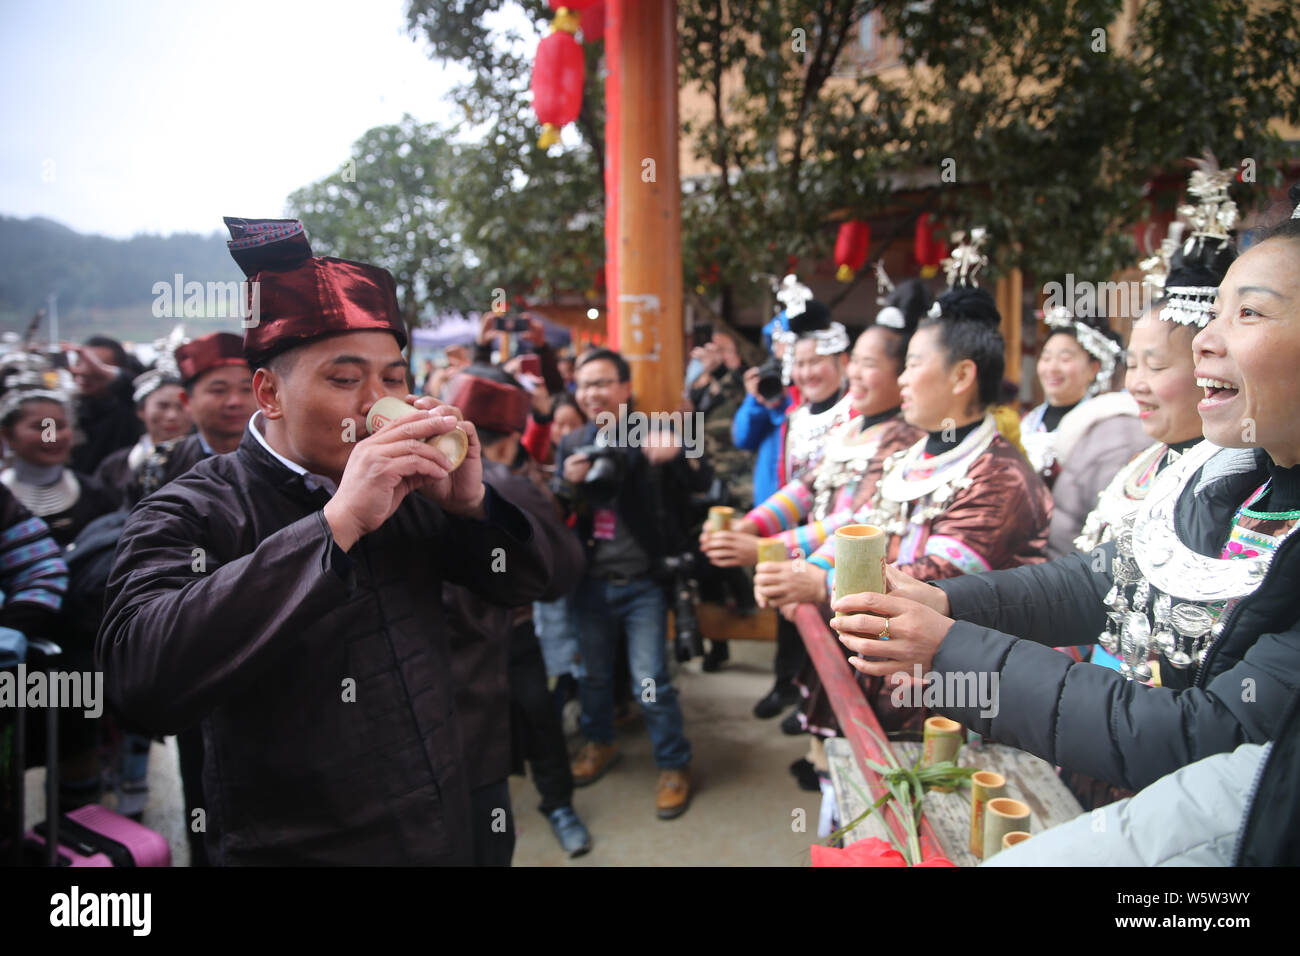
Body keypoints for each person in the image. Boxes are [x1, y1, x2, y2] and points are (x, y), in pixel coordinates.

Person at [96, 217, 558, 864]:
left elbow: (536, 583)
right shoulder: (195, 507)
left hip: (443, 820)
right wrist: (335, 525)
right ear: (270, 392)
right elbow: (141, 682)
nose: (376, 403)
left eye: (393, 379)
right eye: (345, 380)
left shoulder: (413, 490)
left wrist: (474, 508)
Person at [831, 191, 1300, 795]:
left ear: (962, 374)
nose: (1207, 340)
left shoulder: (1014, 466)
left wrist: (950, 648)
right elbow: (1101, 580)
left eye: (1250, 314)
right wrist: (945, 605)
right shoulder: (1219, 475)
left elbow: (1211, 731)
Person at [439, 364, 591, 861]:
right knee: (533, 719)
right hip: (480, 637)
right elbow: (565, 569)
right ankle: (557, 806)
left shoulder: (393, 471)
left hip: (487, 635)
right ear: (508, 442)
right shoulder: (508, 483)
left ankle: (551, 807)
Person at [553, 347, 708, 819]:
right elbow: (559, 515)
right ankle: (599, 743)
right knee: (594, 676)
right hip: (590, 582)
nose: (593, 393)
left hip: (642, 583)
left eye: (603, 383)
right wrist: (567, 482)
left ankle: (673, 763)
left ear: (624, 389)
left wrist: (677, 449)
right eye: (585, 385)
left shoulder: (651, 430)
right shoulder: (573, 440)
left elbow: (696, 479)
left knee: (650, 681)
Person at [748, 281, 855, 721]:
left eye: (819, 363)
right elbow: (789, 479)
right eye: (802, 363)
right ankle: (789, 687)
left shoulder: (855, 412)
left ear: (842, 362)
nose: (810, 373)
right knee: (789, 615)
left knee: (834, 621)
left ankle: (821, 705)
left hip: (841, 532)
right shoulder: (793, 415)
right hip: (796, 529)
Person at [1020, 309, 1148, 557]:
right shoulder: (1027, 421)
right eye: (1046, 357)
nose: (1051, 367)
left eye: (1065, 358)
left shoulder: (1104, 425)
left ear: (1093, 368)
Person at [132, 332, 257, 503]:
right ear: (187, 400)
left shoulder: (283, 458)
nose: (235, 401)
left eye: (246, 389)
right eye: (219, 390)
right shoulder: (162, 461)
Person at [93, 360, 190, 509]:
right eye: (162, 406)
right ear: (141, 411)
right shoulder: (115, 466)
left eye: (181, 407)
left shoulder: (207, 461)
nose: (172, 415)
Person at [67, 336, 146, 475]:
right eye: (81, 364)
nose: (87, 372)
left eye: (95, 366)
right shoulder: (67, 408)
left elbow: (133, 388)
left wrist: (103, 372)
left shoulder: (128, 408)